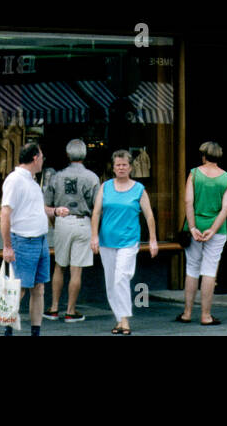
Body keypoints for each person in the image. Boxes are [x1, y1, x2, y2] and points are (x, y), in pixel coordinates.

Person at [1, 142, 68, 336]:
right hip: (23, 241)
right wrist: (7, 246)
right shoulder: (15, 180)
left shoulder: (32, 181)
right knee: (19, 289)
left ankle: (35, 332)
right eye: (42, 156)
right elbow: (5, 213)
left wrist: (55, 211)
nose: (43, 160)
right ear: (35, 158)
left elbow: (38, 209)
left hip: (40, 241)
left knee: (39, 288)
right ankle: (8, 331)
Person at [90, 149, 158, 334]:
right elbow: (96, 212)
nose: (121, 168)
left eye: (124, 165)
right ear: (113, 168)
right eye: (118, 165)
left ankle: (125, 319)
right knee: (111, 281)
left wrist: (153, 239)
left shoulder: (139, 189)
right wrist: (94, 236)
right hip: (106, 241)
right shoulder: (105, 187)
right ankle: (118, 319)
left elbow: (149, 215)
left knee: (121, 277)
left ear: (130, 167)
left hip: (128, 241)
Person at [176, 141, 227, 326]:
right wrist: (213, 229)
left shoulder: (194, 174)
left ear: (203, 156)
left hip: (195, 225)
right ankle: (206, 315)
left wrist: (192, 228)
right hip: (216, 230)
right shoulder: (226, 177)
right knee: (209, 270)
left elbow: (187, 202)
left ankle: (187, 312)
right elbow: (226, 207)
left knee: (191, 269)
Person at [43, 139, 99, 322]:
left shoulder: (56, 177)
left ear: (67, 155)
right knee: (76, 270)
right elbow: (97, 207)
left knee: (59, 266)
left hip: (62, 221)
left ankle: (53, 308)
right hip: (83, 222)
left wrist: (55, 222)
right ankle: (70, 310)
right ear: (85, 155)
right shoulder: (92, 177)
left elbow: (47, 205)